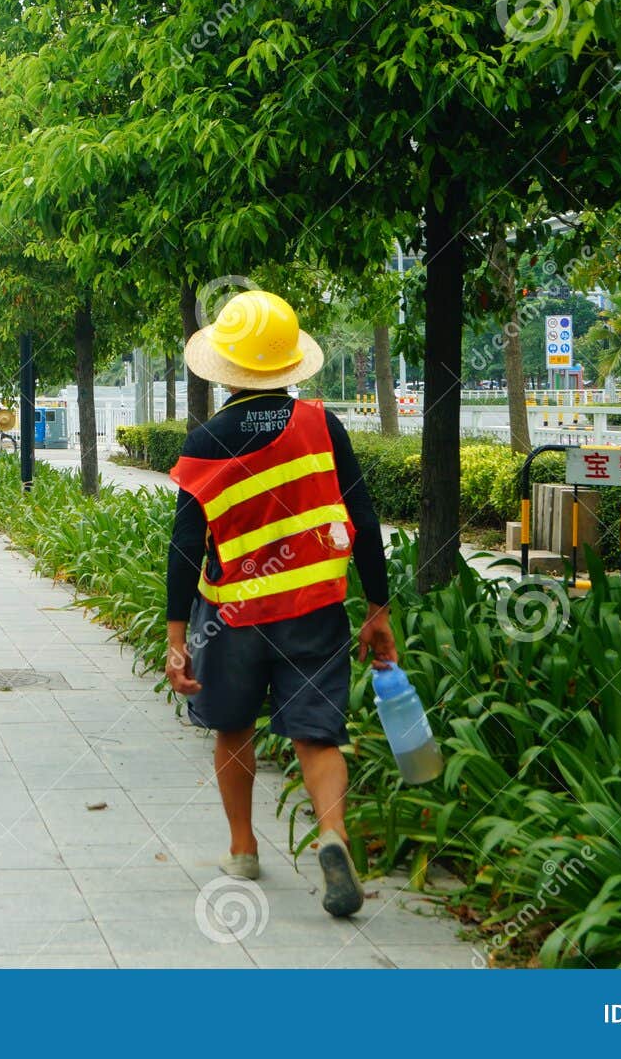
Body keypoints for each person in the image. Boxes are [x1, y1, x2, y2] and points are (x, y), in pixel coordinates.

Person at [164, 289, 397, 919]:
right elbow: (364, 520)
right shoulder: (322, 424)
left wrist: (176, 633)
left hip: (232, 617)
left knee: (232, 728)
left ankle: (242, 849)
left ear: (225, 366)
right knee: (318, 734)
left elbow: (187, 546)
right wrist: (377, 608)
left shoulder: (205, 442)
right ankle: (332, 835)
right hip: (314, 610)